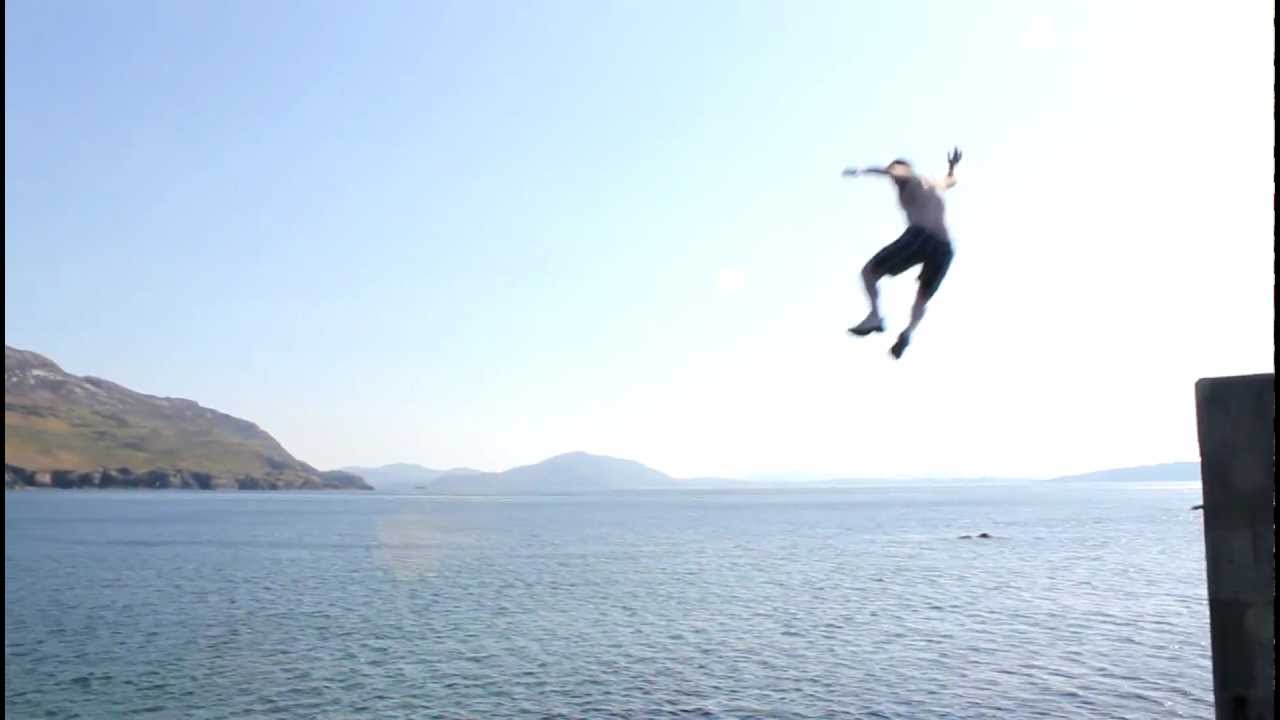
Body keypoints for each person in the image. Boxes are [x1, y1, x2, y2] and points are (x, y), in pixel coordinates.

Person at [842, 148, 962, 359]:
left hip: (921, 237)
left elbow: (893, 170)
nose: (894, 182)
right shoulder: (930, 182)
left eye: (894, 177)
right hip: (944, 248)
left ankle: (876, 317)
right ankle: (907, 334)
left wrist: (862, 170)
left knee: (868, 273)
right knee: (922, 299)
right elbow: (950, 181)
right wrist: (952, 167)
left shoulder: (907, 176)